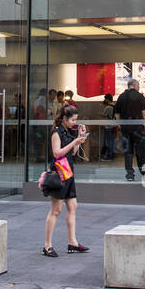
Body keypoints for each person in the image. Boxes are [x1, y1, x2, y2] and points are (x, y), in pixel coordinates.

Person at [43, 105, 90, 257]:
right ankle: (47, 246)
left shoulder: (69, 132)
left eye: (76, 120)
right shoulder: (56, 132)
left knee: (73, 206)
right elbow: (57, 153)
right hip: (59, 173)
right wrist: (74, 142)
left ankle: (73, 242)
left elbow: (73, 152)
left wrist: (79, 138)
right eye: (72, 120)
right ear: (64, 118)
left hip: (68, 172)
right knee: (56, 210)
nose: (74, 123)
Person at [115, 79, 145, 181]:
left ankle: (130, 174)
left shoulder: (121, 96)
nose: (139, 87)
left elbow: (117, 114)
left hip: (125, 126)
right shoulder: (139, 96)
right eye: (138, 85)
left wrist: (121, 126)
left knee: (128, 151)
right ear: (134, 85)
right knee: (140, 150)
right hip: (137, 126)